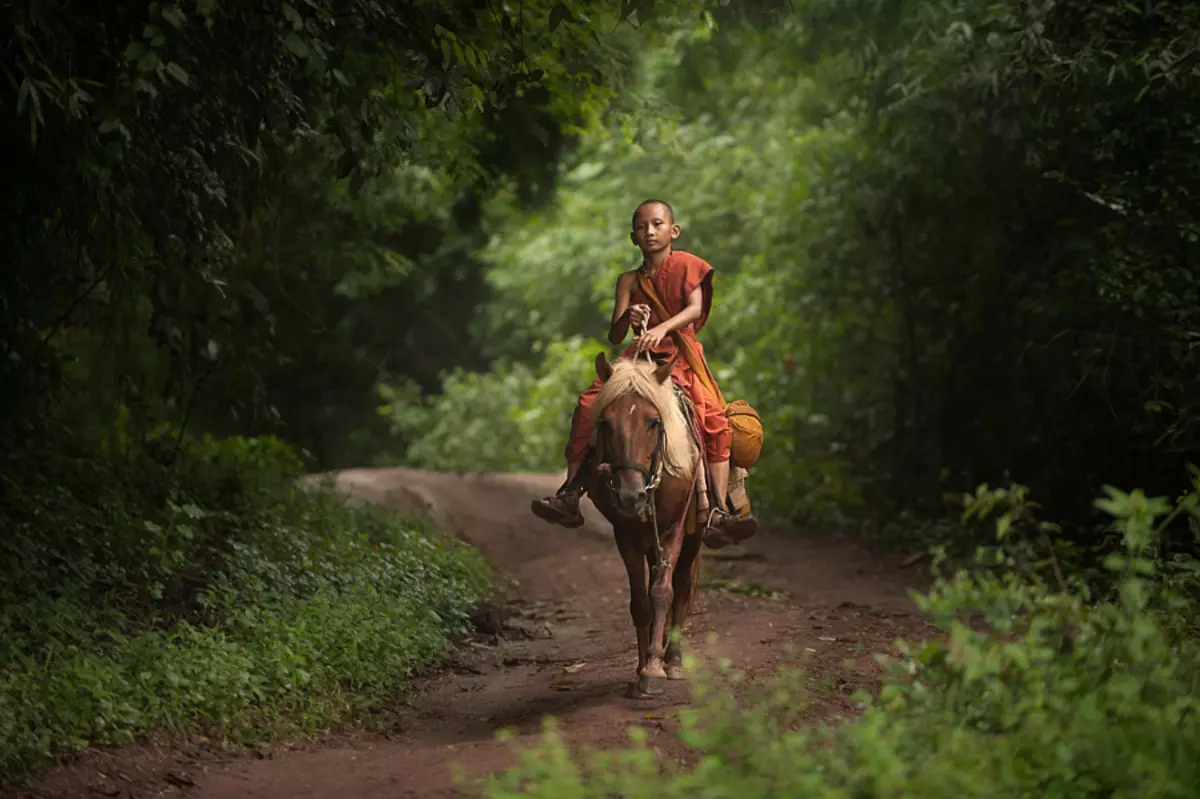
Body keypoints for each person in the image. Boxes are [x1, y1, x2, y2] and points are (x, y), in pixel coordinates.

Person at [530, 200, 758, 549]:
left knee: (712, 417)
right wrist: (631, 318)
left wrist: (662, 327)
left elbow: (695, 310)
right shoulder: (627, 280)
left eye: (657, 224)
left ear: (673, 231)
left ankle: (717, 509)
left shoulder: (688, 266)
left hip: (680, 357)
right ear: (632, 237)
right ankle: (570, 492)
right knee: (589, 404)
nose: (650, 231)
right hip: (637, 360)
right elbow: (615, 335)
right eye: (641, 227)